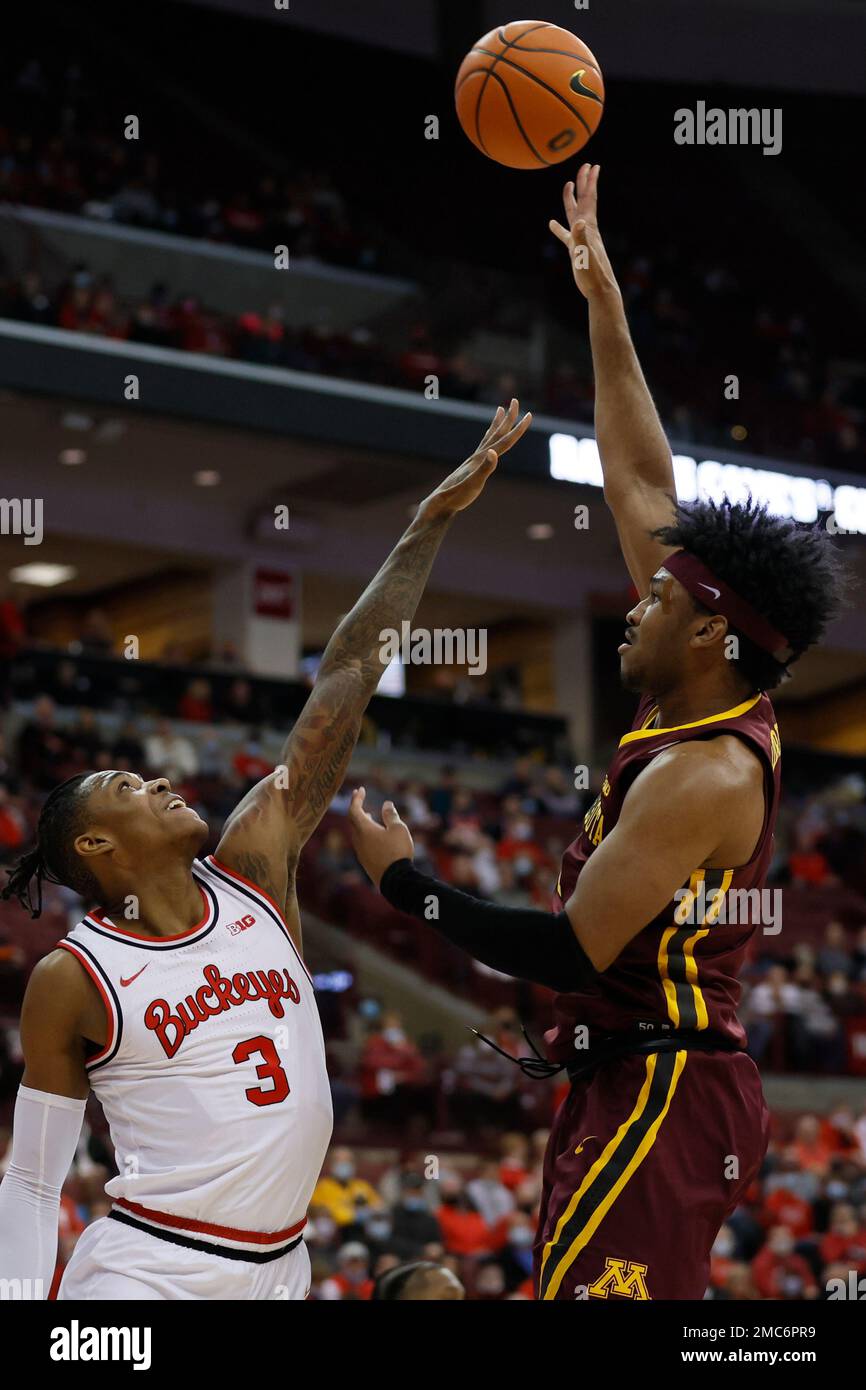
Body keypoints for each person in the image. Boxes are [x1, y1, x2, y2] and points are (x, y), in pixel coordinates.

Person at [345, 165, 847, 1301]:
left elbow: (568, 948)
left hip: (666, 1087)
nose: (635, 597)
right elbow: (633, 475)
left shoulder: (707, 772)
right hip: (627, 1079)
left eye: (659, 598)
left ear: (711, 632)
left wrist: (406, 888)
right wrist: (601, 300)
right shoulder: (689, 689)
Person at [0, 401, 531, 1301]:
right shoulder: (74, 975)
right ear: (97, 845)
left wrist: (426, 522)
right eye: (131, 788)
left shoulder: (253, 867)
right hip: (148, 1271)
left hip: (282, 1270)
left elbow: (347, 677)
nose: (162, 785)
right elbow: (32, 1177)